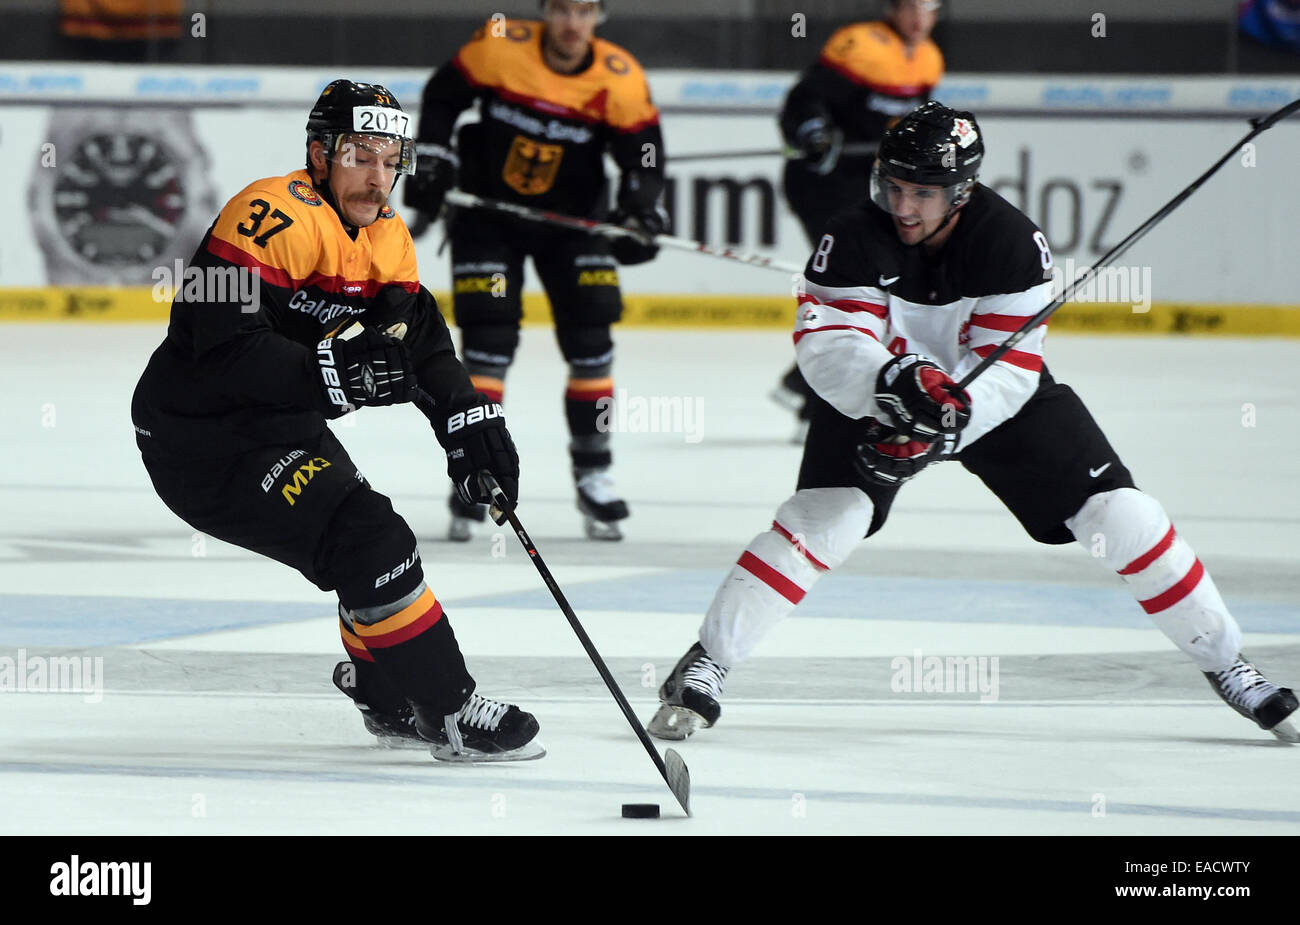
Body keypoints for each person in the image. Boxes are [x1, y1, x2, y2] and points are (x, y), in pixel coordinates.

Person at [648, 102, 1298, 744]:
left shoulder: (1011, 241)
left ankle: (1227, 661)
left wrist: (943, 423)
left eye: (923, 193)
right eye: (895, 186)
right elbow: (828, 345)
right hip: (882, 391)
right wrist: (894, 385)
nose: (904, 206)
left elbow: (1009, 370)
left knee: (1121, 516)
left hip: (990, 399)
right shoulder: (850, 233)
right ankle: (707, 661)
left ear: (961, 191)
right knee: (827, 516)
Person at [131, 79, 542, 762]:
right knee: (371, 538)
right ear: (319, 154)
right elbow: (220, 346)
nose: (378, 177)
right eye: (360, 155)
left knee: (365, 546)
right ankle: (448, 707)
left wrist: (467, 422)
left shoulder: (386, 237)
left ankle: (384, 693)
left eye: (390, 159)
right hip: (200, 440)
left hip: (280, 426)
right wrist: (329, 371)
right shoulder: (266, 212)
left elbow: (419, 337)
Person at [404, 0, 668, 542]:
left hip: (573, 225)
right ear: (545, 11)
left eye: (585, 10)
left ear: (600, 16)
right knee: (488, 341)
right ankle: (475, 467)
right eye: (563, 9)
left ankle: (594, 473)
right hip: (488, 216)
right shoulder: (501, 45)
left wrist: (642, 205)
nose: (573, 23)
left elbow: (643, 152)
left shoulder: (619, 76)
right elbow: (443, 94)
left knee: (592, 339)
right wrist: (431, 155)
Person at [774, 0, 943, 441]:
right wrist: (813, 132)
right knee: (858, 278)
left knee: (878, 281)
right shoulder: (860, 44)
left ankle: (803, 387)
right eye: (910, 8)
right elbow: (804, 99)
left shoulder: (929, 58)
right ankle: (814, 404)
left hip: (869, 188)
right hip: (823, 183)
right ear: (893, 9)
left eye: (928, 9)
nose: (918, 19)